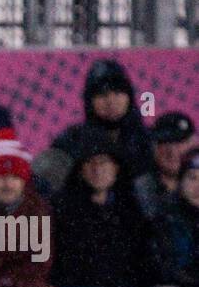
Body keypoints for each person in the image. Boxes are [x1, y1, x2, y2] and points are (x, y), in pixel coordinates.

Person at [50, 131, 154, 287]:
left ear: (116, 167)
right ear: (80, 168)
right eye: (90, 162)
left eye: (103, 162)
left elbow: (142, 261)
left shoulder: (132, 211)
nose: (97, 169)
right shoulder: (61, 209)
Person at [34, 59, 154, 197]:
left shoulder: (147, 140)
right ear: (89, 101)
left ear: (129, 97)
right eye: (102, 95)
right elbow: (41, 186)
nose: (111, 101)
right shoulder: (71, 141)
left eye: (118, 93)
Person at [0, 129, 56, 287]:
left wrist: (11, 285)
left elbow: (39, 265)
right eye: (0, 176)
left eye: (14, 176)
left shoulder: (38, 211)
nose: (7, 183)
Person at [151, 147, 199, 287]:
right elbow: (165, 267)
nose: (198, 186)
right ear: (180, 181)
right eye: (192, 178)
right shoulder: (165, 220)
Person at [134, 111, 195, 224]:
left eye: (179, 142)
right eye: (164, 142)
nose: (171, 151)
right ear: (154, 147)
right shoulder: (140, 188)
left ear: (194, 144)